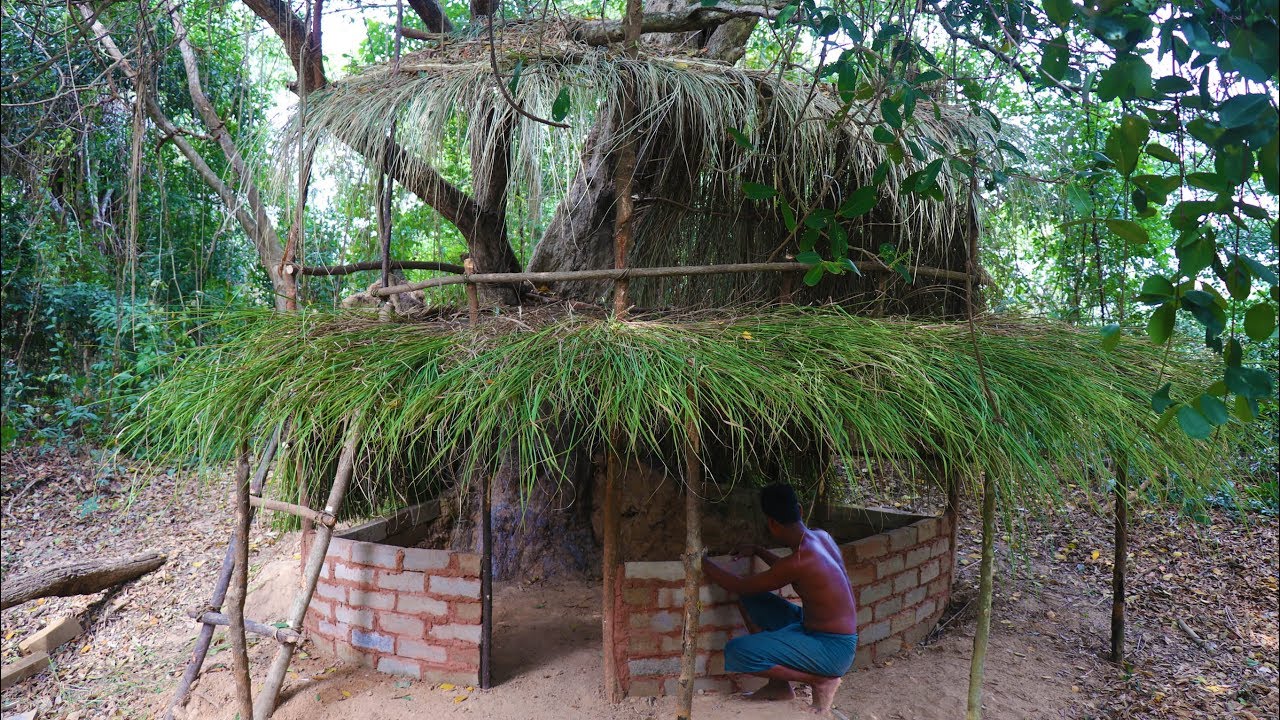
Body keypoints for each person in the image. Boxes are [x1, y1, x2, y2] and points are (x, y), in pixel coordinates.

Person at [701, 483, 858, 716]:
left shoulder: (799, 561)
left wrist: (702, 561)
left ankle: (820, 680)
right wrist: (758, 550)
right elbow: (791, 571)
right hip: (821, 632)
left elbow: (738, 584)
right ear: (800, 510)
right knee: (750, 598)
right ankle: (778, 686)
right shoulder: (821, 538)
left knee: (737, 651)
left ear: (772, 523)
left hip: (832, 649)